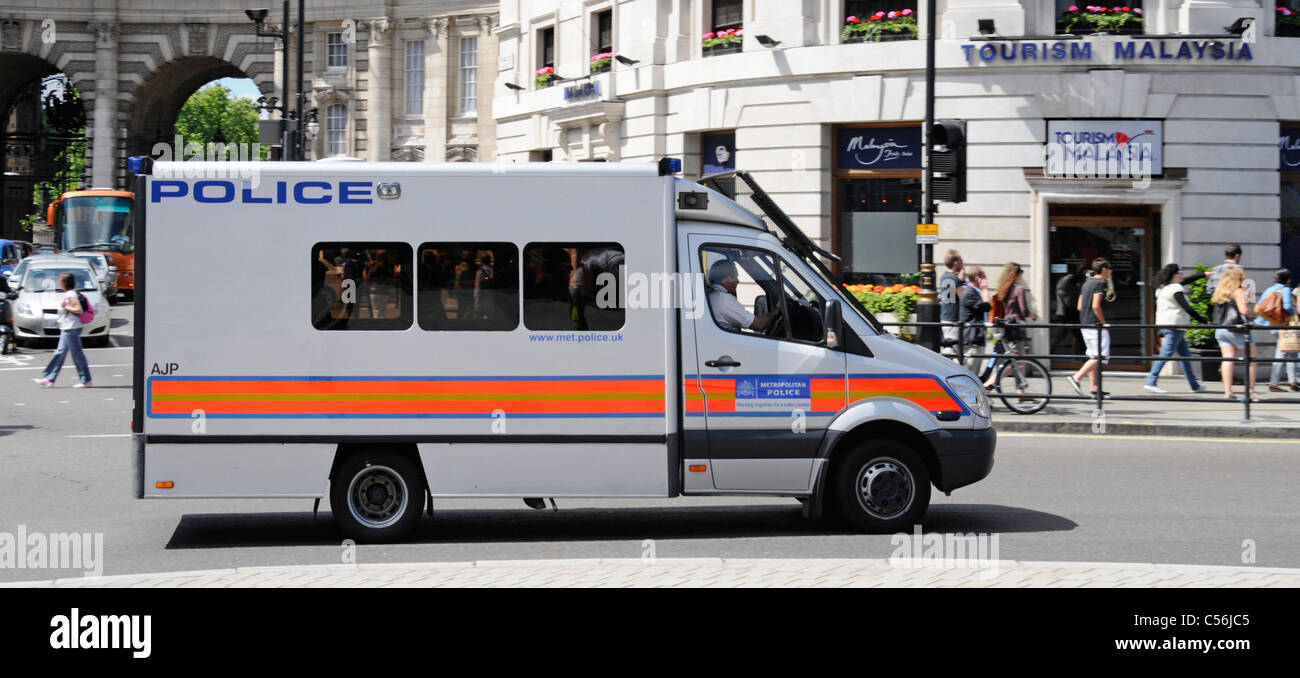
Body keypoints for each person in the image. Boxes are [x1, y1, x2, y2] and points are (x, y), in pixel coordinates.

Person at [1144, 263, 1209, 394]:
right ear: (1174, 275)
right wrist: (1204, 321)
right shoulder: (1175, 289)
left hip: (1169, 326)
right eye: (1179, 272)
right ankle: (1151, 381)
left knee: (1185, 357)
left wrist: (1204, 275)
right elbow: (1188, 308)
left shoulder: (1163, 288)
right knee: (1166, 354)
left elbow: (1187, 280)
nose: (1182, 275)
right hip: (1174, 326)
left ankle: (1194, 386)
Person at [33, 272, 92, 388]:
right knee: (60, 353)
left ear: (64, 283)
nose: (59, 283)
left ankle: (86, 380)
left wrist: (65, 306)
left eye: (60, 281)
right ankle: (50, 378)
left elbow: (78, 310)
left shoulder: (71, 295)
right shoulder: (70, 294)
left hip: (71, 328)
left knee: (77, 355)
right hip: (68, 327)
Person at [1211, 265, 1258, 400]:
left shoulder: (1220, 292)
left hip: (1221, 330)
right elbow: (1243, 311)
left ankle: (1228, 392)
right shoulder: (1238, 291)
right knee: (1252, 359)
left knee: (1227, 360)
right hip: (1236, 330)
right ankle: (1250, 390)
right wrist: (1252, 314)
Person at [1068, 258, 1112, 398]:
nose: (1111, 271)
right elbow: (1096, 305)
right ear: (1104, 270)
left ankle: (1095, 389)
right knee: (1100, 355)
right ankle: (1077, 377)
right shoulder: (1100, 284)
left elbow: (1080, 306)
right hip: (1095, 325)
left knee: (1093, 356)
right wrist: (1103, 323)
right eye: (1109, 268)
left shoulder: (1087, 283)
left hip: (1085, 324)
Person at [1255, 268, 1298, 392]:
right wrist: (1292, 315)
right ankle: (1274, 383)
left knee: (1291, 351)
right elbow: (1288, 307)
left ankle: (1293, 382)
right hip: (1283, 326)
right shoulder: (1285, 290)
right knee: (1282, 353)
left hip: (1272, 324)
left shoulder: (1269, 289)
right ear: (1288, 279)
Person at [707, 260, 776, 332]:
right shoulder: (724, 300)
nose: (738, 281)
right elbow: (758, 324)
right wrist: (776, 312)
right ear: (727, 279)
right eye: (735, 277)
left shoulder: (711, 294)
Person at [957, 266, 990, 373]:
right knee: (970, 373)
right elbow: (987, 306)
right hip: (972, 340)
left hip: (977, 337)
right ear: (977, 278)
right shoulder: (970, 293)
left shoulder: (974, 292)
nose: (986, 279)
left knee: (974, 373)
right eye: (984, 276)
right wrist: (985, 289)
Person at [939, 250, 963, 357]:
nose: (962, 263)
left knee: (950, 347)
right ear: (956, 263)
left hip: (946, 316)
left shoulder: (944, 276)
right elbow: (963, 297)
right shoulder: (954, 278)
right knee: (952, 349)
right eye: (961, 261)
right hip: (953, 318)